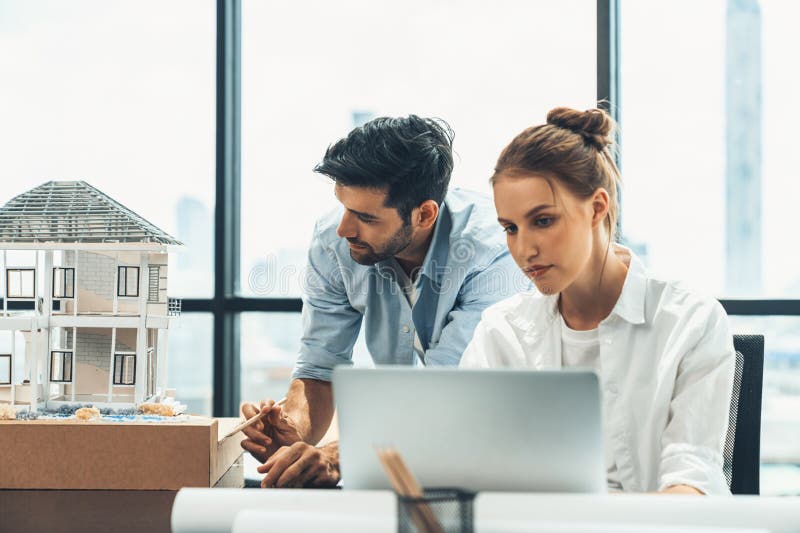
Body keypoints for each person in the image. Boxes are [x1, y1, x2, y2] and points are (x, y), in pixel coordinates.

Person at [459, 106, 735, 494]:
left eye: (542, 221)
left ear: (597, 207)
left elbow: (691, 479)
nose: (523, 249)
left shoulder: (690, 320)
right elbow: (469, 464)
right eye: (510, 228)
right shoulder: (500, 332)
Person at [242, 115, 528, 488]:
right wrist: (292, 427)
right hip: (409, 447)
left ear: (424, 214)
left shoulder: (491, 249)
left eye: (365, 217)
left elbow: (450, 391)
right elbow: (319, 369)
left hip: (497, 440)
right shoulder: (335, 240)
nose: (344, 228)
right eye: (343, 207)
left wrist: (338, 455)